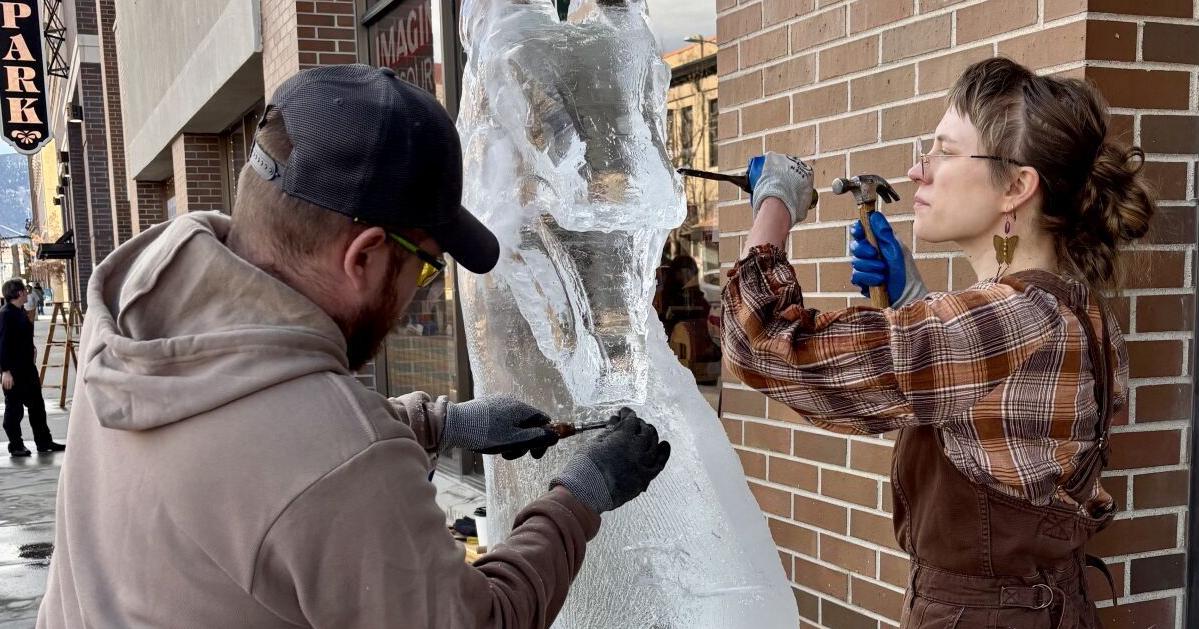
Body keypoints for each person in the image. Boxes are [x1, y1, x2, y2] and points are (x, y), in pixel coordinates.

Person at [38, 65, 670, 628]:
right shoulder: (338, 463)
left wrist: (440, 422)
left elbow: (257, 453)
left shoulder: (141, 311)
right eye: (424, 266)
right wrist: (577, 499)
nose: (420, 293)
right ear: (364, 256)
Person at [723, 58, 1152, 628]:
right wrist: (910, 296)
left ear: (1017, 186)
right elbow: (994, 421)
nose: (917, 169)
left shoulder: (1012, 319)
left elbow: (761, 343)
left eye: (944, 152)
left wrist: (775, 202)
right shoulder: (1074, 305)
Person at [0, 279, 63, 457]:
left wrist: (32, 348)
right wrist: (5, 371)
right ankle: (16, 445)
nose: (28, 294)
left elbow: (22, 338)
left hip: (28, 369)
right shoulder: (6, 314)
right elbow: (2, 344)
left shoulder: (20, 312)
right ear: (19, 293)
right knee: (14, 410)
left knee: (37, 407)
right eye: (25, 291)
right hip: (13, 372)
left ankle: (44, 442)